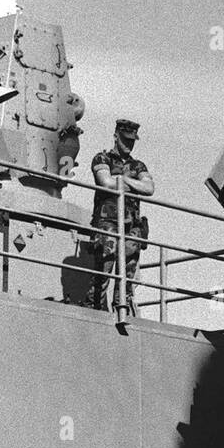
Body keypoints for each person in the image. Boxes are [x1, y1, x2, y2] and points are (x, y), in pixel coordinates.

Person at [86, 118, 154, 313]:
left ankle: (122, 308)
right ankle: (96, 306)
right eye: (125, 140)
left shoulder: (138, 165)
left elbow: (149, 188)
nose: (129, 144)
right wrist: (133, 184)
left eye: (132, 141)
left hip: (132, 223)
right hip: (108, 221)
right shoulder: (102, 158)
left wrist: (124, 180)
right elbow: (105, 183)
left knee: (129, 265)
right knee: (105, 262)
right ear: (116, 136)